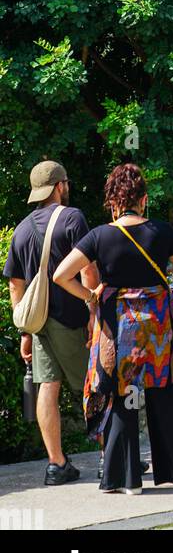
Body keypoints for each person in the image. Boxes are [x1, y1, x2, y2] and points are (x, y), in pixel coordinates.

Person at [53, 162, 173, 494]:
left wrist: (92, 297)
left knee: (120, 396)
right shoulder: (162, 231)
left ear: (112, 202)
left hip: (116, 331)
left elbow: (60, 275)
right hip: (157, 331)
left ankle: (125, 481)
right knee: (166, 395)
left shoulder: (99, 236)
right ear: (143, 199)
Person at [3, 161, 97, 485]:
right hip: (71, 319)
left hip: (39, 325)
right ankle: (110, 457)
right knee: (96, 384)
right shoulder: (73, 218)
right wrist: (94, 310)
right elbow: (87, 269)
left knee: (48, 387)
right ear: (60, 186)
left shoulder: (22, 229)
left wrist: (25, 330)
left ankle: (56, 464)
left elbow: (15, 285)